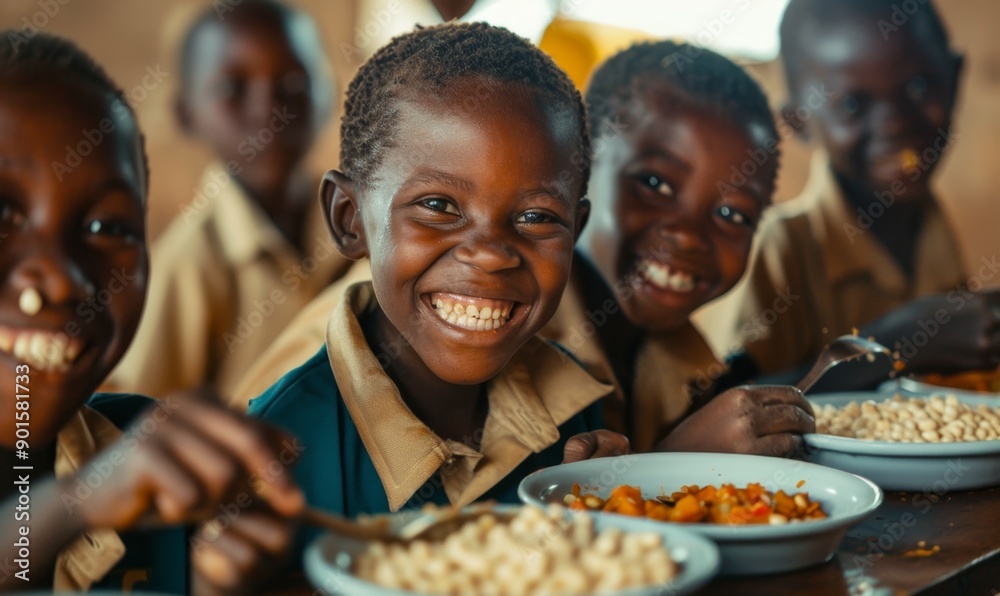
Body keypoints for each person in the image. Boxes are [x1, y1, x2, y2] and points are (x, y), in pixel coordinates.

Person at [247, 22, 623, 567]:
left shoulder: (580, 417)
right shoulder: (278, 457)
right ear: (350, 219)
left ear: (576, 231)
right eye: (439, 206)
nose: (492, 253)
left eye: (537, 217)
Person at [0, 34, 303, 595]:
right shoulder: (112, 479)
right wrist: (74, 504)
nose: (65, 278)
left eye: (106, 228)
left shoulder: (145, 463)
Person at [539, 40, 814, 455]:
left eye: (732, 214)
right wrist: (680, 460)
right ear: (580, 163)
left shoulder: (683, 356)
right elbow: (506, 517)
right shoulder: (514, 344)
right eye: (655, 184)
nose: (688, 235)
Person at [724, 0, 997, 381]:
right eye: (853, 104)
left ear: (954, 79)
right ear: (799, 122)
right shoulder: (781, 246)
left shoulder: (930, 222)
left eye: (918, 86)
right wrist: (894, 345)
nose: (896, 123)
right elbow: (728, 408)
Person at [106, 0, 352, 401]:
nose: (267, 107)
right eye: (231, 88)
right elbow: (139, 423)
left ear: (327, 97)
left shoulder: (361, 227)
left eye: (292, 83)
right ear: (186, 114)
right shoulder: (188, 266)